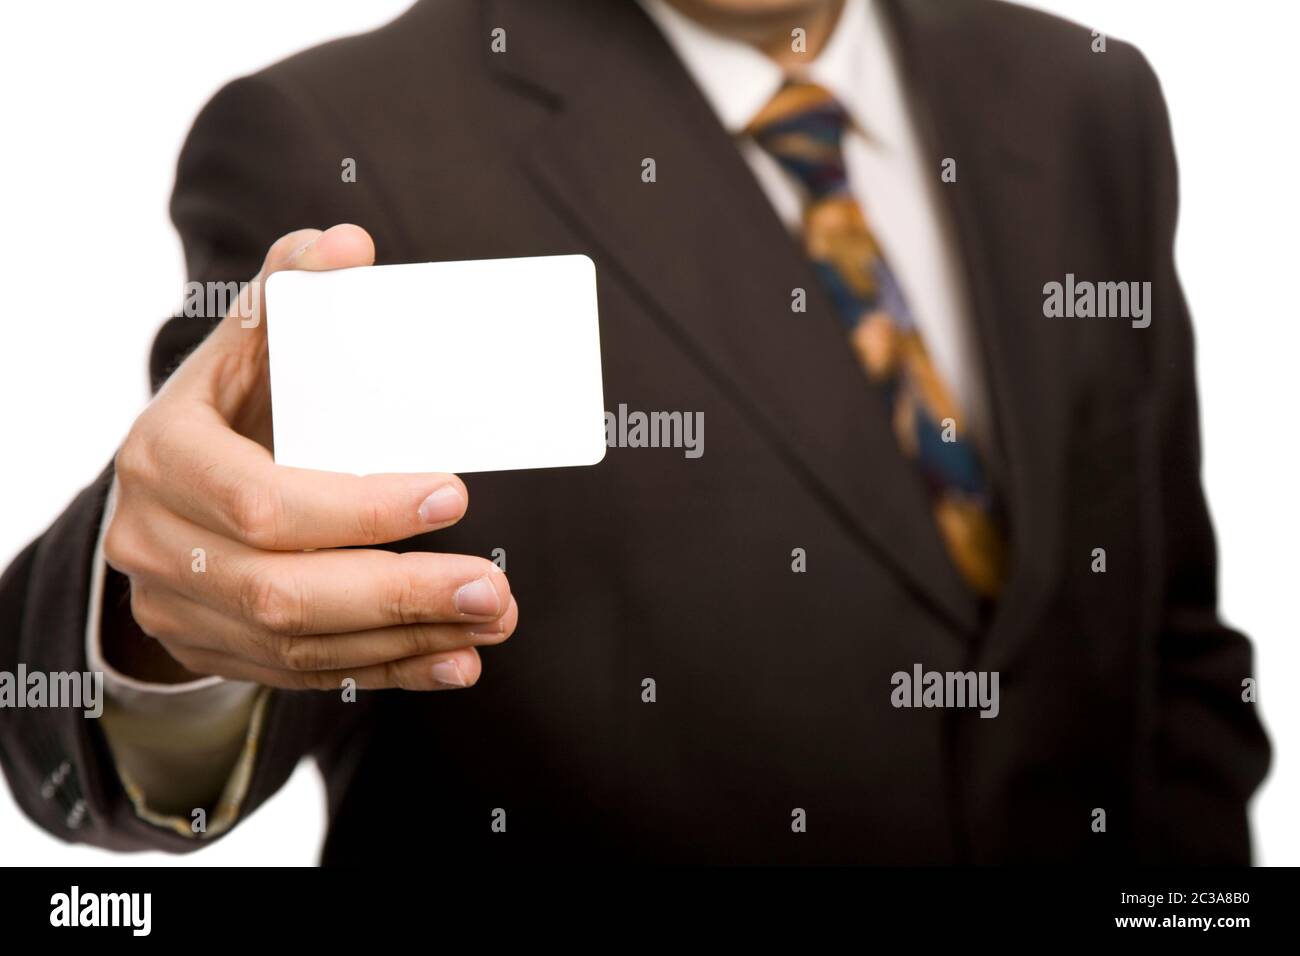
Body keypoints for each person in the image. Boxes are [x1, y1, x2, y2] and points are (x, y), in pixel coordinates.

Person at [0, 0, 1270, 863]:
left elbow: (1162, 634)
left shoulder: (1081, 95)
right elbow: (229, 548)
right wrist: (156, 613)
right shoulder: (345, 145)